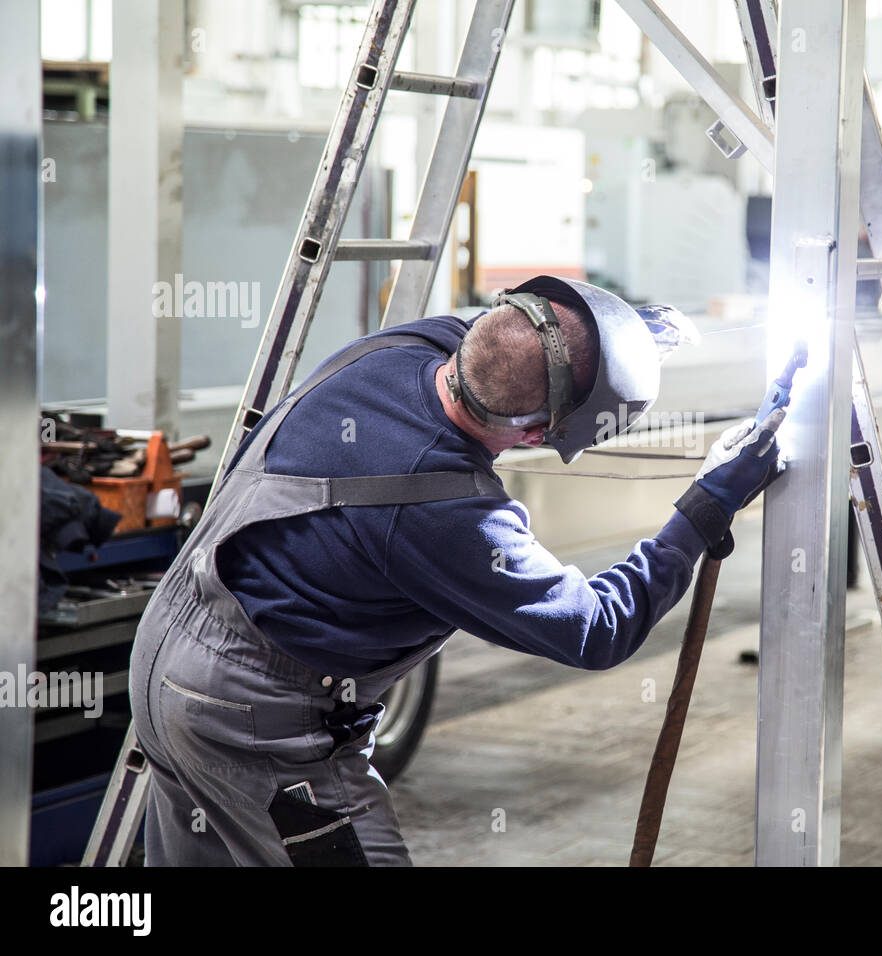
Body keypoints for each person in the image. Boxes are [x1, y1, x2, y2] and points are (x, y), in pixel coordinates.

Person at [126, 275, 787, 865]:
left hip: (169, 647)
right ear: (533, 434)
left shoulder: (409, 345)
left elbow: (528, 342)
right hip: (251, 716)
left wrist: (613, 331)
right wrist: (708, 502)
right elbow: (596, 629)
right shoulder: (444, 507)